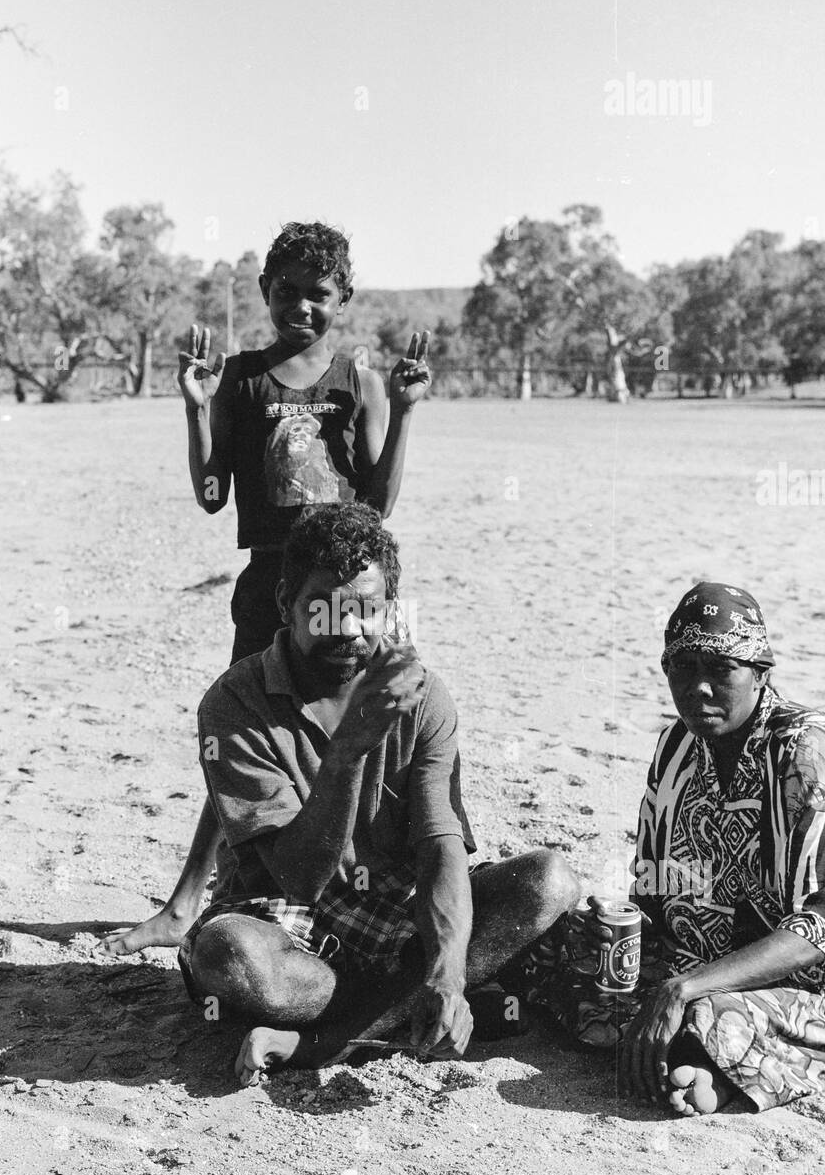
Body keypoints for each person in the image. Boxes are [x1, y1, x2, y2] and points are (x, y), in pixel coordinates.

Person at [103, 222, 432, 955]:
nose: (302, 308)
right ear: (264, 292)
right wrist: (195, 406)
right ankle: (188, 899)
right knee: (244, 730)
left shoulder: (359, 381)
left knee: (371, 723)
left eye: (319, 295)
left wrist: (406, 414)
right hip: (268, 586)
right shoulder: (243, 380)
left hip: (347, 589)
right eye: (287, 293)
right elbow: (213, 492)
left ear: (343, 298)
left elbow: (375, 505)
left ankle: (366, 880)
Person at [178, 503, 580, 1083]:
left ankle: (331, 1035)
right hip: (285, 921)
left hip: (395, 912)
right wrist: (348, 751)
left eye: (365, 610)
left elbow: (441, 845)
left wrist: (445, 971)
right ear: (284, 602)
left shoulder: (421, 695)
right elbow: (298, 877)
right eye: (323, 609)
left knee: (549, 881)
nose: (346, 628)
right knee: (228, 957)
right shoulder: (234, 706)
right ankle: (393, 1014)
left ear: (390, 611)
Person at [523, 582, 825, 1115]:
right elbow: (654, 889)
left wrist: (682, 989)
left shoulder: (807, 757)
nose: (699, 688)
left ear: (759, 674)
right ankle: (683, 1057)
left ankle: (693, 1060)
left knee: (711, 1017)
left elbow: (822, 935)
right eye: (683, 669)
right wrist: (619, 926)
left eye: (721, 670)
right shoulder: (676, 746)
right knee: (559, 939)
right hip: (697, 958)